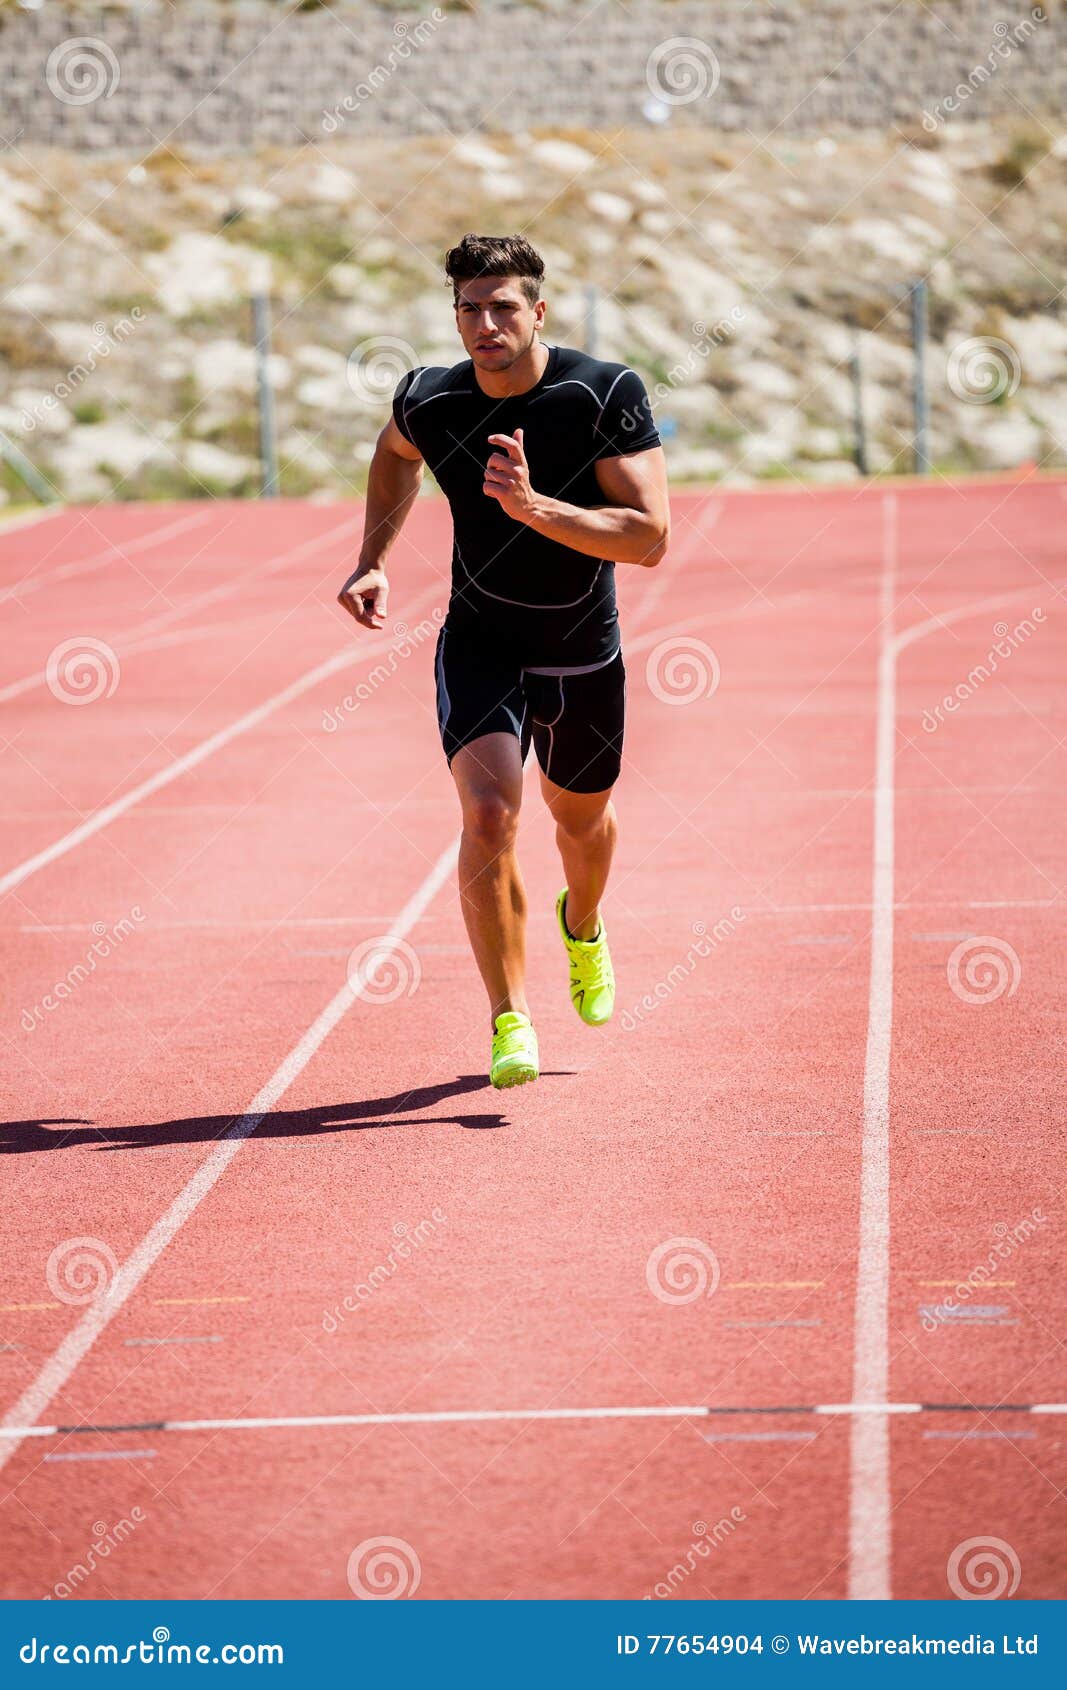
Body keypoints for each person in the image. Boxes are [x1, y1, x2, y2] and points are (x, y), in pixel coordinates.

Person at [338, 233, 669, 1089]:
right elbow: (392, 454)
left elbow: (649, 540)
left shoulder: (601, 394)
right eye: (468, 309)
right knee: (488, 817)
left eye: (502, 307)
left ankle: (583, 927)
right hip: (481, 642)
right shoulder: (431, 398)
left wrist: (531, 507)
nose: (484, 324)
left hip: (580, 650)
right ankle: (509, 1018)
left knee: (581, 825)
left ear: (538, 311)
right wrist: (374, 556)